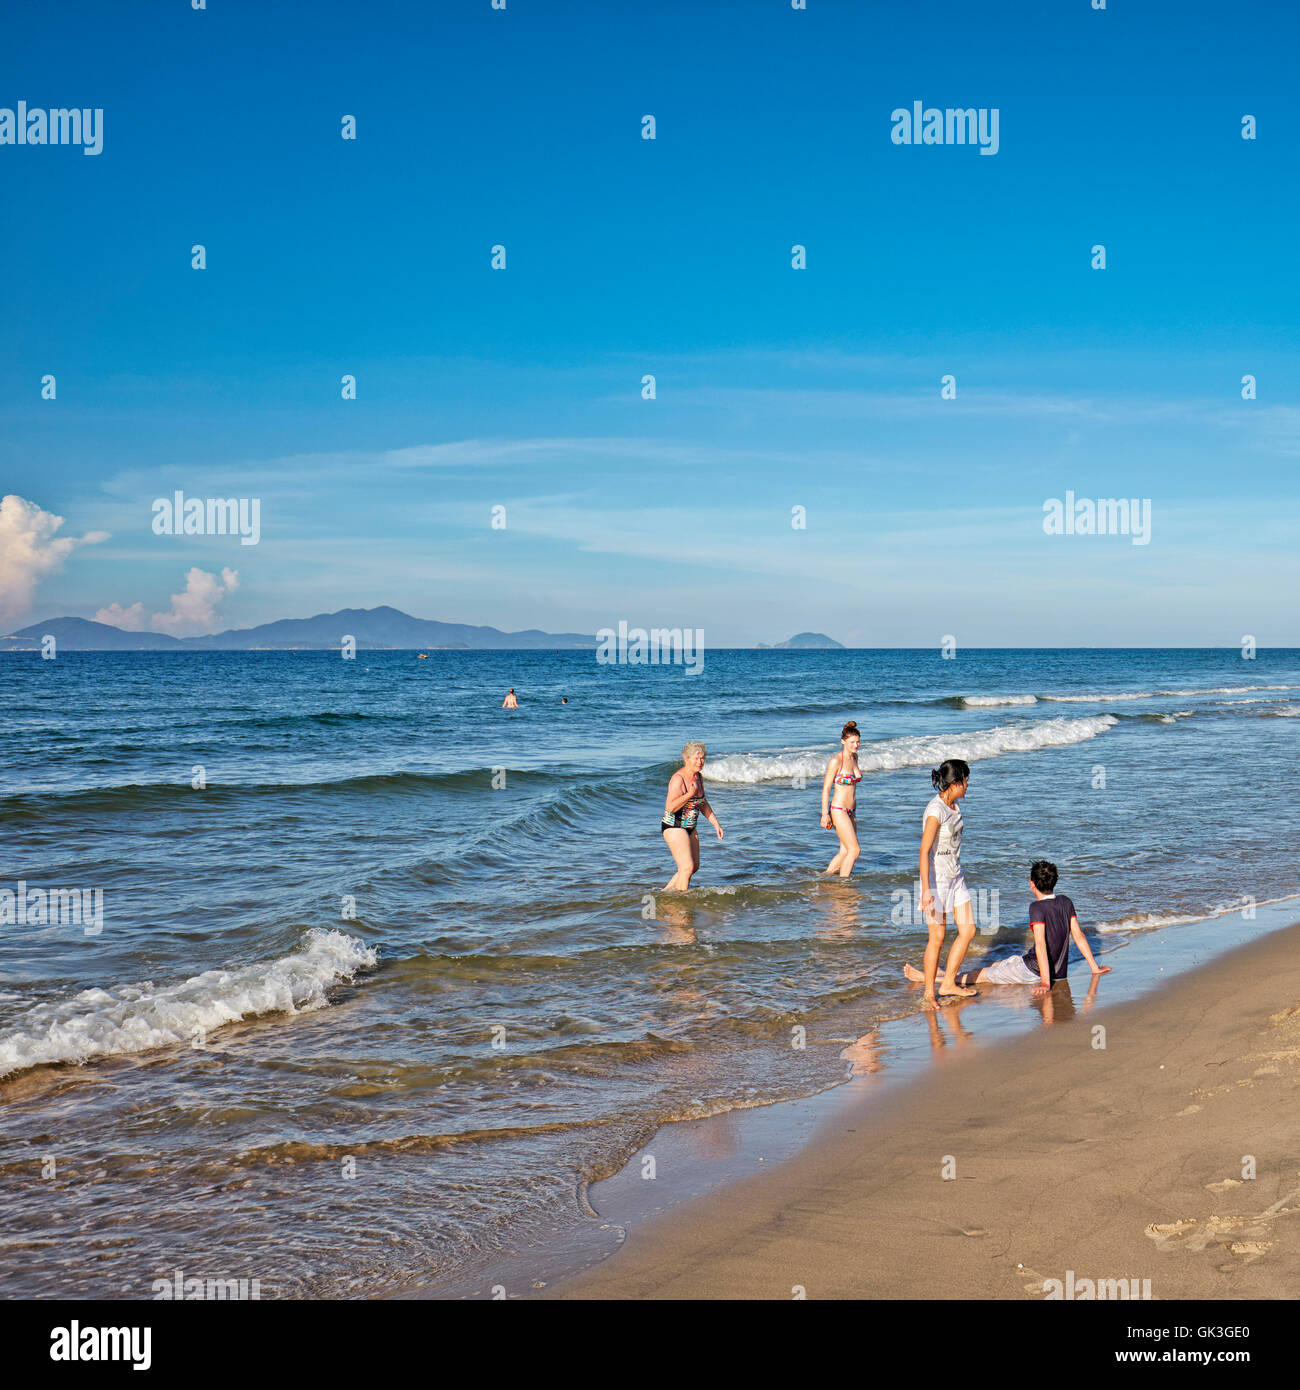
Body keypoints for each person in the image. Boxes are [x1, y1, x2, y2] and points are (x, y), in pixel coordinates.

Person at [905, 860, 1110, 995]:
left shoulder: (1037, 908)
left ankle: (930, 978)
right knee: (996, 965)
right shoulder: (1066, 901)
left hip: (1033, 971)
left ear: (1032, 884)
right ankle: (942, 974)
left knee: (981, 975)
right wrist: (1094, 968)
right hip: (1050, 969)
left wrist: (1046, 983)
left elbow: (1040, 946)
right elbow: (1080, 936)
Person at [917, 758, 976, 1008]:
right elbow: (923, 851)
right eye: (965, 781)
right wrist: (926, 890)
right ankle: (929, 994)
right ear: (955, 783)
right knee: (937, 937)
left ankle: (948, 982)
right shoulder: (935, 810)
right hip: (936, 881)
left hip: (955, 876)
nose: (968, 785)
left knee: (968, 930)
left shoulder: (953, 806)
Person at [661, 741, 723, 891]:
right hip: (674, 826)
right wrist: (689, 794)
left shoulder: (698, 778)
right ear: (687, 759)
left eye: (702, 758)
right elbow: (670, 807)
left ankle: (666, 892)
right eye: (696, 758)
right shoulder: (678, 779)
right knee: (686, 867)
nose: (700, 762)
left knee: (693, 867)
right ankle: (682, 902)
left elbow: (702, 803)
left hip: (690, 827)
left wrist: (716, 824)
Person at [820, 721, 862, 877]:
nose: (855, 745)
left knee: (845, 851)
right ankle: (844, 883)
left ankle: (824, 877)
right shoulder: (836, 761)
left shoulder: (855, 758)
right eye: (852, 742)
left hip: (851, 811)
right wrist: (825, 814)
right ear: (843, 741)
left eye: (858, 742)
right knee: (855, 850)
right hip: (838, 809)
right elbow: (826, 789)